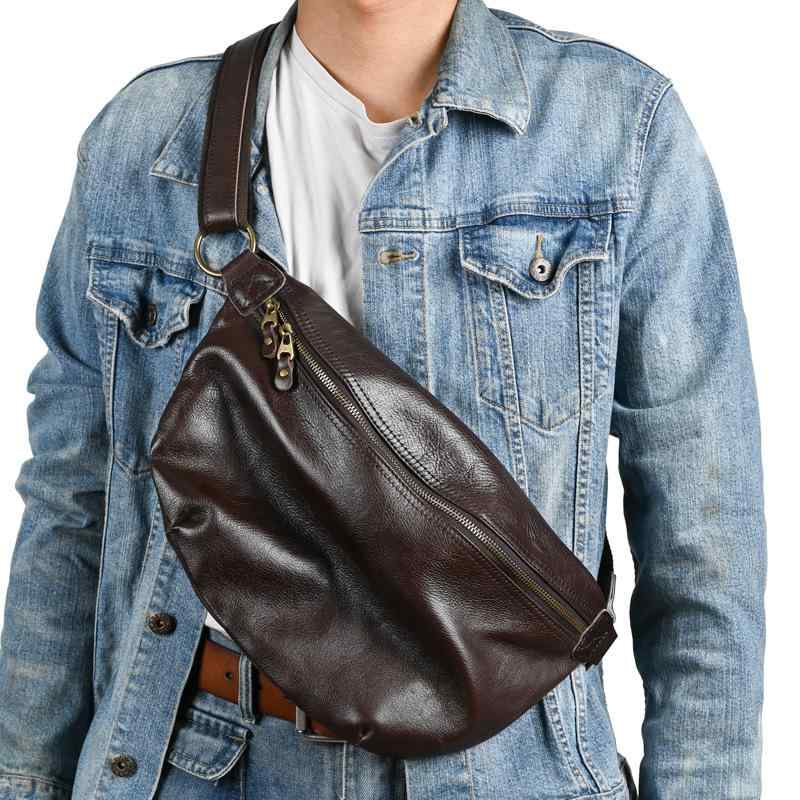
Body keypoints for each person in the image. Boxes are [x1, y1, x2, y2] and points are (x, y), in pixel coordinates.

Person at [0, 0, 766, 798]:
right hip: (198, 759)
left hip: (510, 770)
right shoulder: (146, 137)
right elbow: (71, 505)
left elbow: (705, 542)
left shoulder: (617, 129)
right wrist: (25, 779)